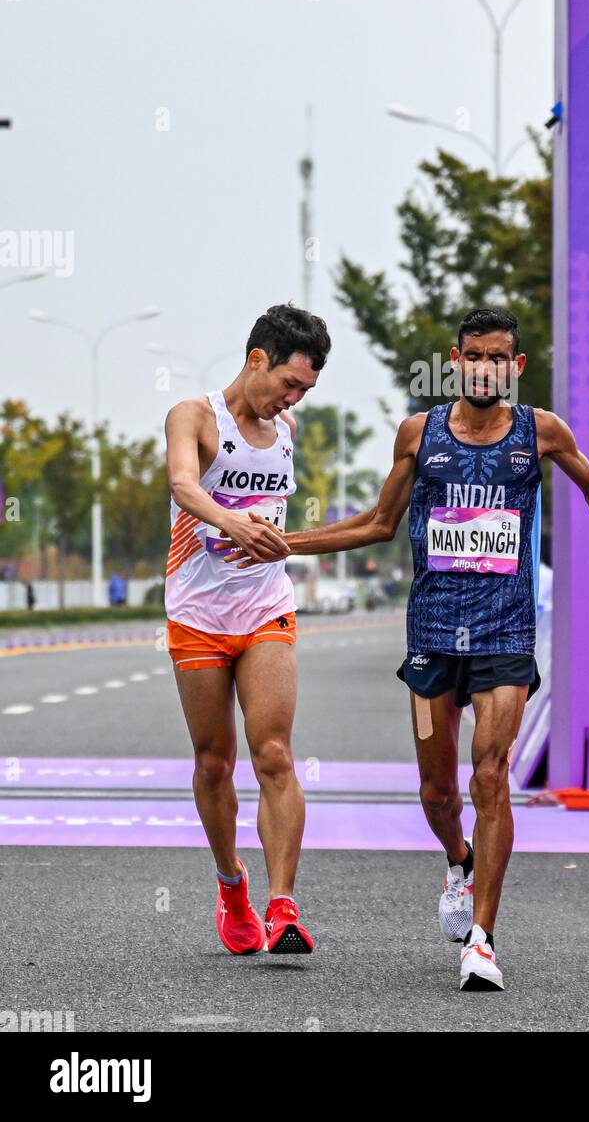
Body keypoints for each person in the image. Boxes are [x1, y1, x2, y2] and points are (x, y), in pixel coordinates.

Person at [223, 307, 589, 990]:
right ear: (455, 362)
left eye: (498, 358)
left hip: (505, 631)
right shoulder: (418, 435)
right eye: (473, 356)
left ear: (513, 368)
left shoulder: (539, 431)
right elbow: (376, 523)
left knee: (490, 775)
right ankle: (457, 858)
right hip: (432, 633)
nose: (484, 368)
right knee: (436, 791)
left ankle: (482, 941)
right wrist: (288, 543)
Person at [164, 303, 330, 956]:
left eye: (305, 390)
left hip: (264, 608)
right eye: (290, 383)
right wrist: (235, 525)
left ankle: (282, 904)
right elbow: (182, 483)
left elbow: (277, 523)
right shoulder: (194, 415)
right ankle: (231, 884)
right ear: (256, 359)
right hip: (197, 615)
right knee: (214, 763)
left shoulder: (284, 430)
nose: (294, 398)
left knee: (274, 754)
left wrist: (276, 542)